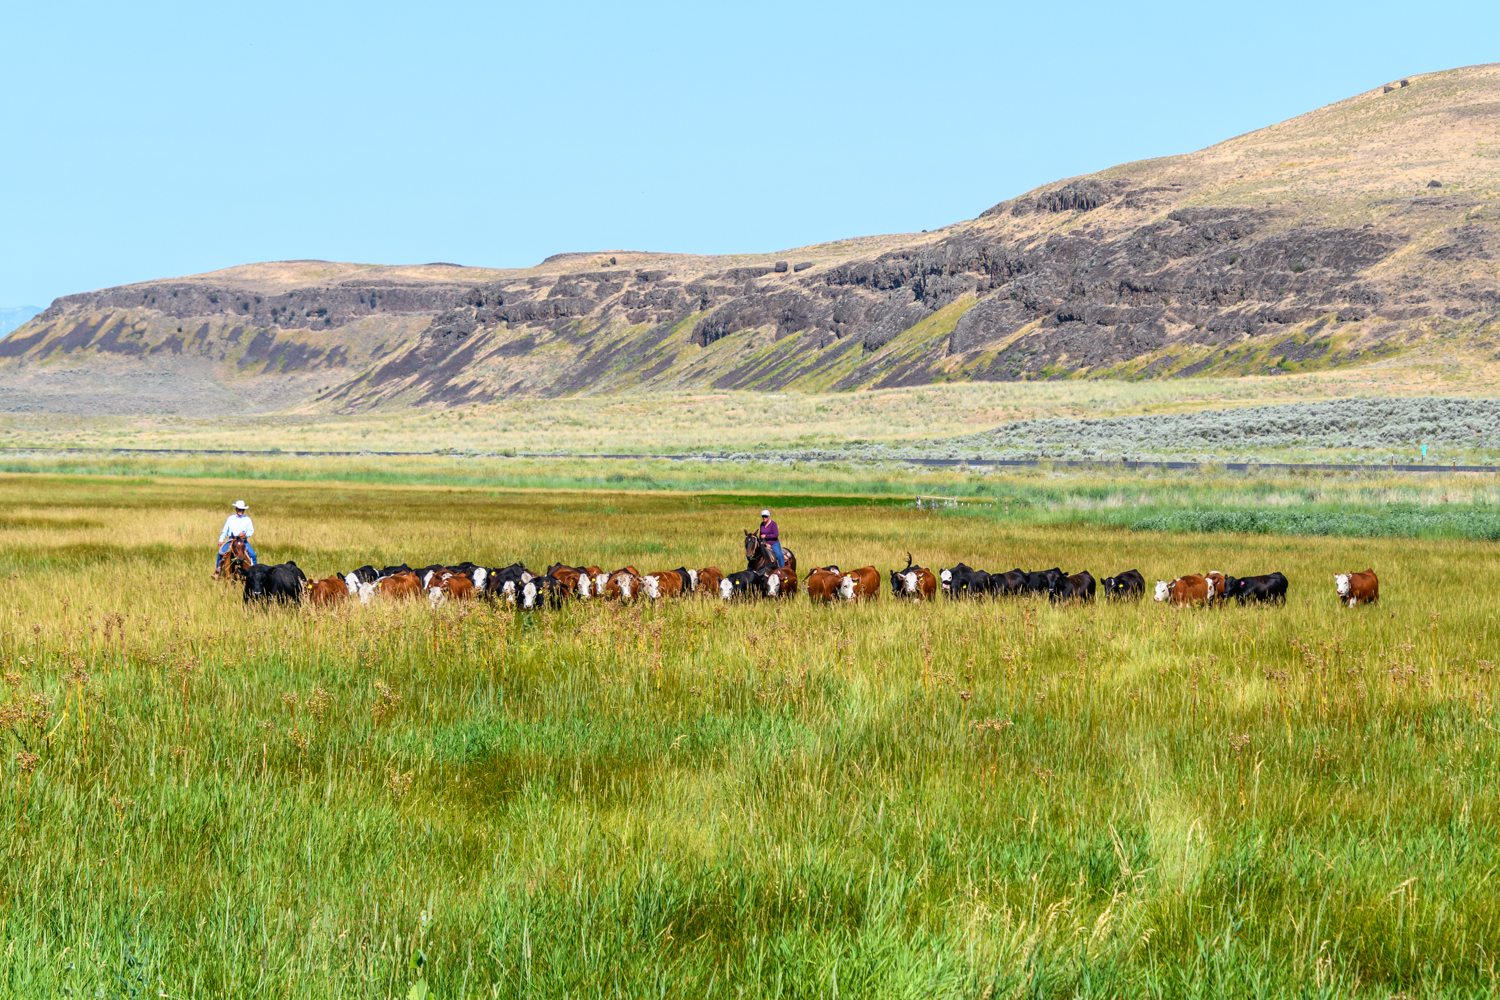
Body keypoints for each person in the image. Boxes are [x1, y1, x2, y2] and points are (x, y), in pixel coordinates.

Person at [216, 500, 257, 572]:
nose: (241, 511)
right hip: (232, 540)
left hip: (242, 541)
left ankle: (255, 572)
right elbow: (224, 531)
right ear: (236, 509)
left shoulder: (247, 519)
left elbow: (251, 531)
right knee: (220, 553)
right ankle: (218, 571)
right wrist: (221, 540)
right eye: (239, 509)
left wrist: (245, 534)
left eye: (242, 509)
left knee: (253, 555)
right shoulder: (230, 518)